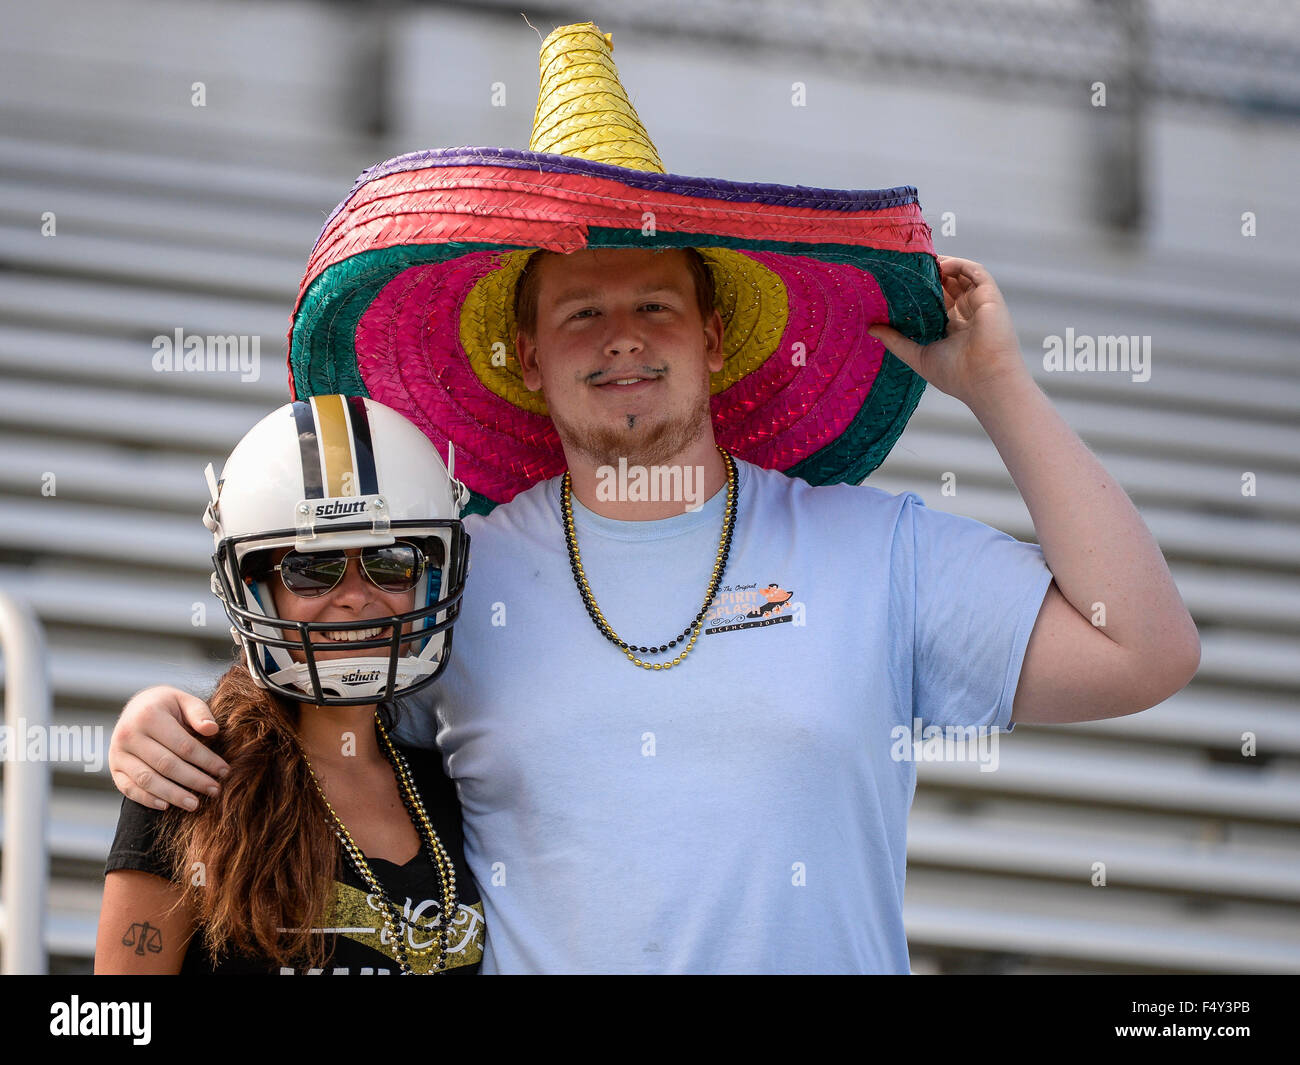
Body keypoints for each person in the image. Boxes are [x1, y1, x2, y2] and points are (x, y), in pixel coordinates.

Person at [106, 23, 1200, 973]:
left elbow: (1144, 654)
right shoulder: (457, 572)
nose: (621, 335)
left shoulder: (878, 550)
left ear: (716, 338)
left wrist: (998, 391)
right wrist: (159, 724)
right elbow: (311, 719)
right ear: (525, 356)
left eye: (654, 304)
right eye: (580, 312)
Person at [96, 395, 483, 974]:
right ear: (254, 589)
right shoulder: (191, 773)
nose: (355, 593)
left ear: (428, 580)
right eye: (311, 567)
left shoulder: (448, 782)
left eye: (390, 561)